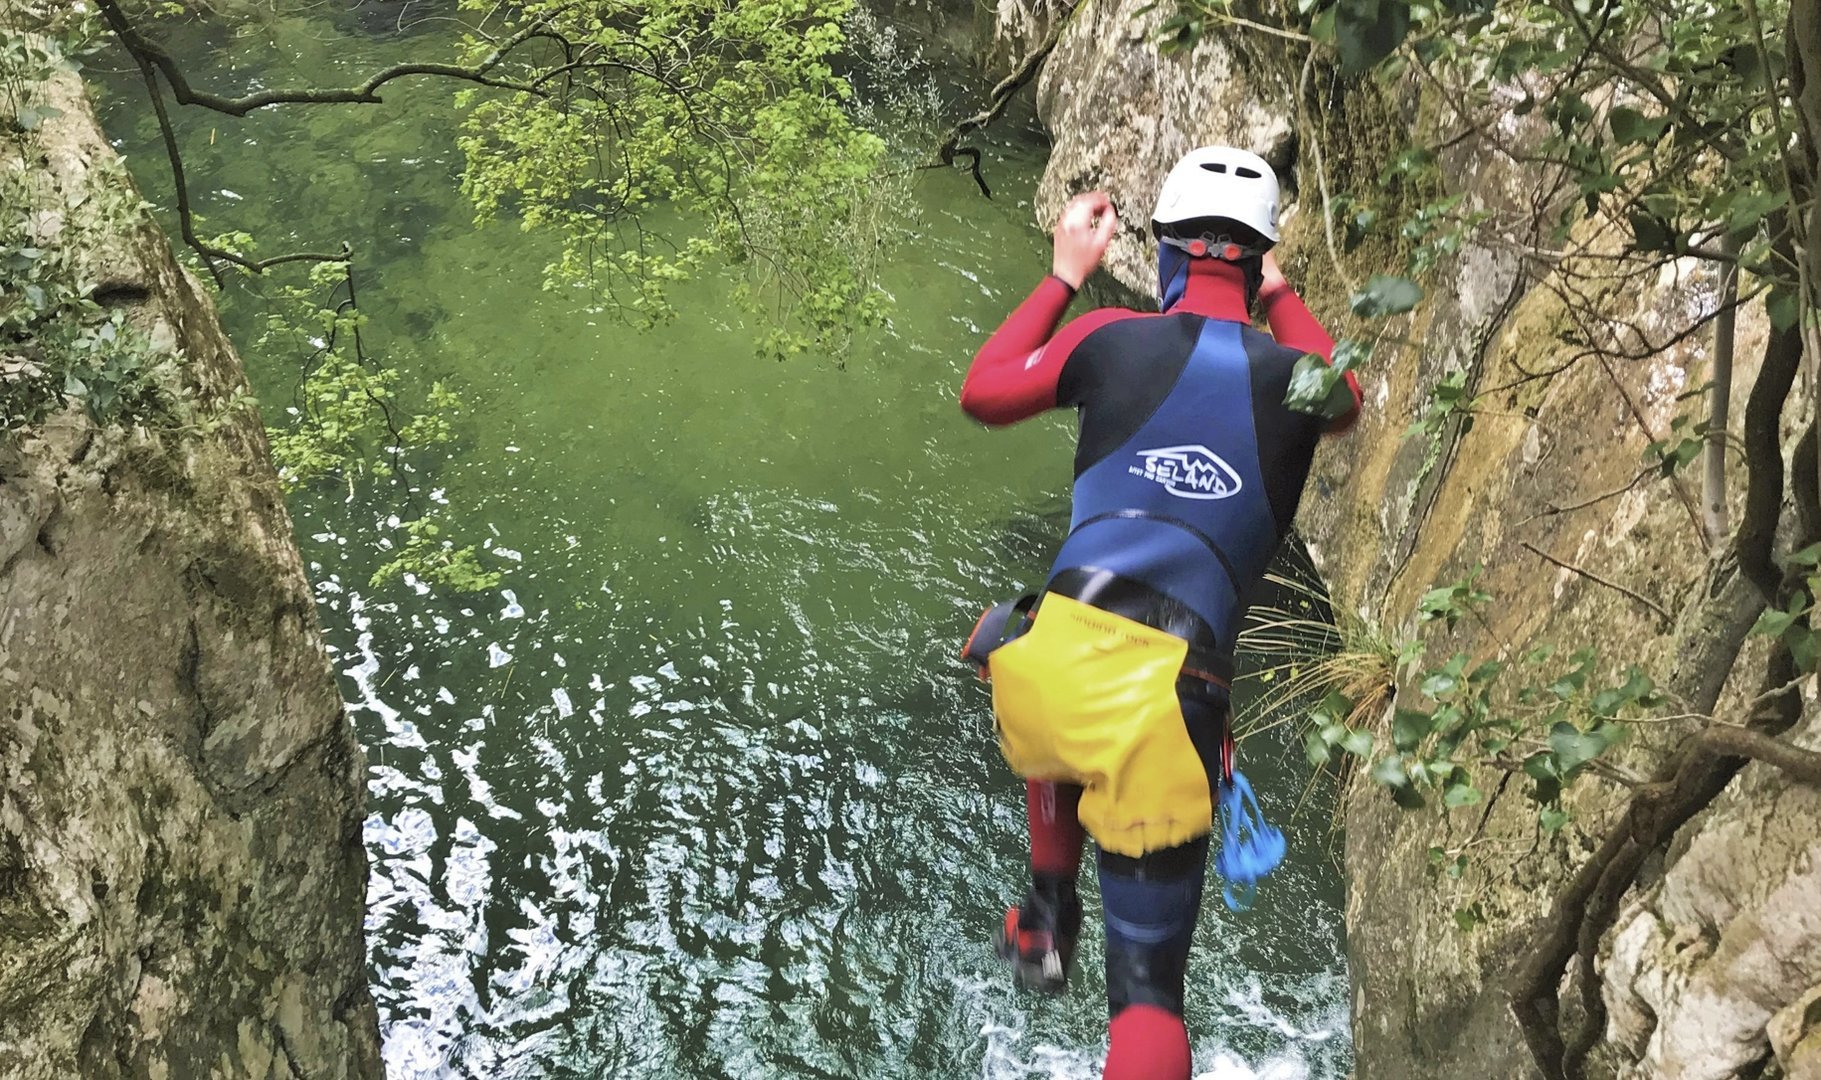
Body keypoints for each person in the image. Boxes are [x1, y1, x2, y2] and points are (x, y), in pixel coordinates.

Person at [957, 146, 1361, 1080]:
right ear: (1257, 260)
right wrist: (1280, 293)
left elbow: (983, 391)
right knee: (1145, 1003)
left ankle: (1049, 904)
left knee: (1038, 639)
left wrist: (1064, 276)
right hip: (1170, 704)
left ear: (1168, 252)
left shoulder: (1107, 339)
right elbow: (1343, 397)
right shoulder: (1296, 380)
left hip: (1044, 672)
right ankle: (1082, 935)